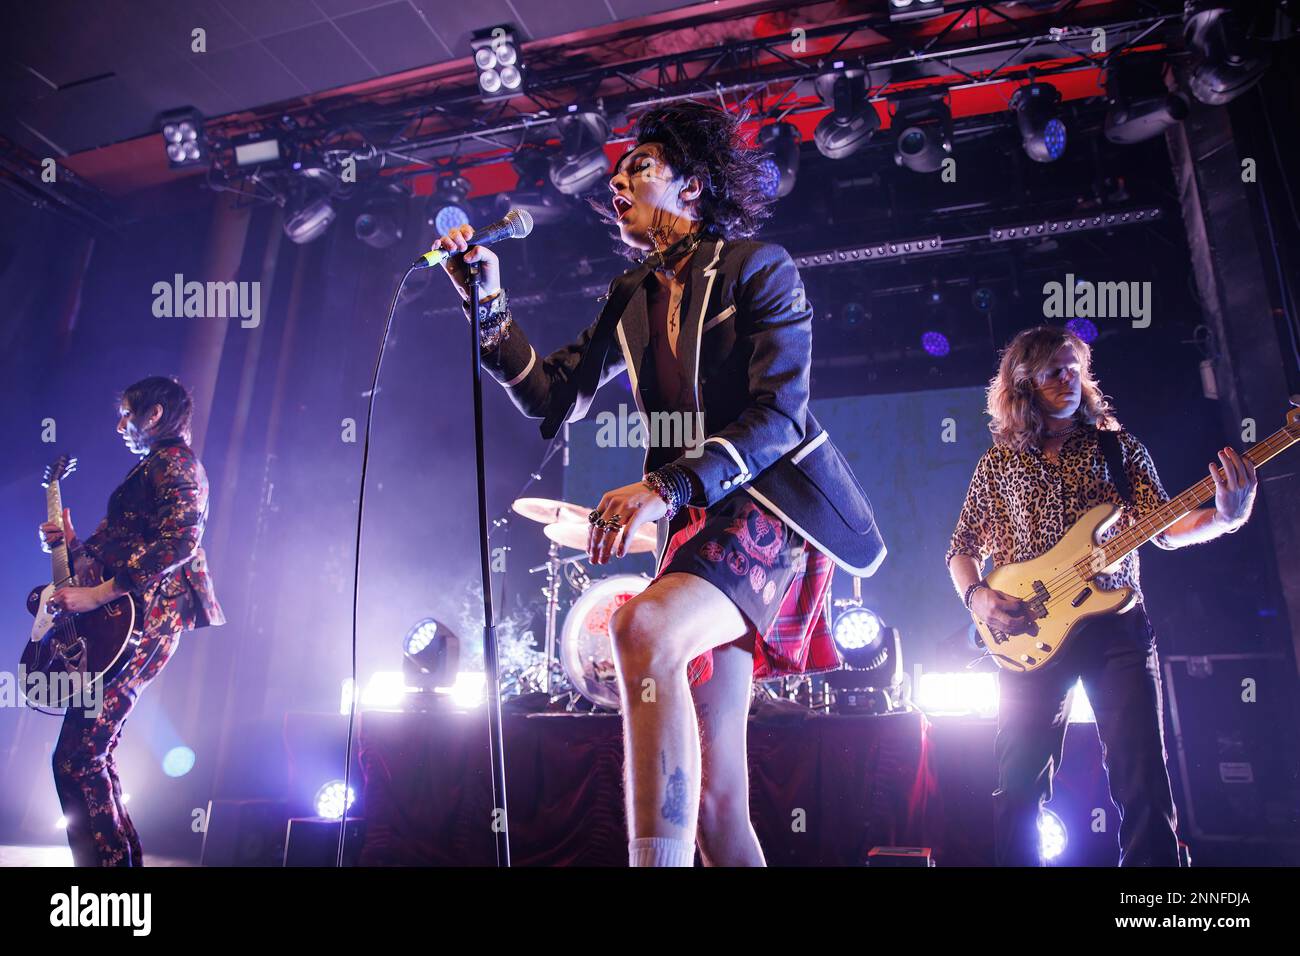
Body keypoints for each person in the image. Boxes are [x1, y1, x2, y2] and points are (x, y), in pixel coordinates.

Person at [433, 101, 885, 866]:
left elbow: (781, 415)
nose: (617, 181)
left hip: (768, 507)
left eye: (638, 167)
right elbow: (553, 396)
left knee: (641, 628)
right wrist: (488, 304)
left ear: (693, 186)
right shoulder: (632, 293)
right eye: (612, 173)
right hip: (695, 522)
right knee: (717, 804)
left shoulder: (758, 267)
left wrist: (666, 487)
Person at [945, 326, 1257, 865]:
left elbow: (1166, 525)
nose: (1068, 379)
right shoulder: (997, 465)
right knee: (1018, 787)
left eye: (1074, 368)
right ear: (1023, 384)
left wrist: (1226, 520)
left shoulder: (1118, 447)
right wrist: (977, 596)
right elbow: (961, 548)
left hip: (1117, 628)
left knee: (1144, 783)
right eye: (1053, 372)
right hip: (1028, 632)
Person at [39, 375, 224, 866]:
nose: (121, 423)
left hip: (149, 621)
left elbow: (180, 542)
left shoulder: (177, 464)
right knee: (87, 754)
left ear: (154, 414)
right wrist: (73, 545)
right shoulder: (153, 468)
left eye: (127, 412)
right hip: (131, 619)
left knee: (78, 757)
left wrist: (98, 593)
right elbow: (119, 552)